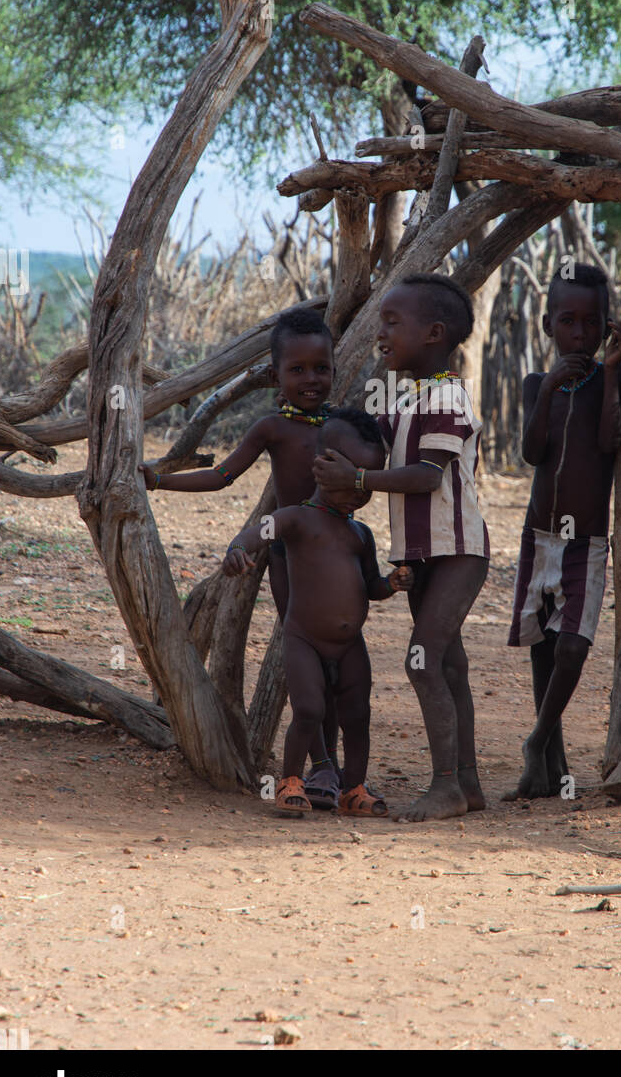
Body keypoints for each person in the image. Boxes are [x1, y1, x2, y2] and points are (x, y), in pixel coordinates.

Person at [139, 306, 343, 808]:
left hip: (340, 563)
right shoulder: (272, 428)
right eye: (297, 370)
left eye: (321, 368)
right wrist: (161, 480)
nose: (311, 379)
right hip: (289, 562)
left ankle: (338, 773)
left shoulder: (345, 425)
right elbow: (223, 475)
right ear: (276, 376)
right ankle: (318, 768)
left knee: (341, 669)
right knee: (307, 669)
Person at [313, 273, 489, 823]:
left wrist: (360, 482)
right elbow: (375, 448)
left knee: (422, 661)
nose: (380, 333)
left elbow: (424, 477)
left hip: (457, 550)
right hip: (420, 553)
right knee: (448, 665)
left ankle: (445, 787)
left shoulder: (448, 398)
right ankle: (467, 783)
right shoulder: (411, 397)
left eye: (392, 323)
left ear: (433, 333)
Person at [223, 408, 412, 817]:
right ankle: (291, 781)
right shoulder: (296, 520)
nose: (361, 489)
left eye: (369, 479)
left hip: (350, 645)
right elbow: (258, 532)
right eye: (354, 473)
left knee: (358, 715)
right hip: (304, 639)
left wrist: (391, 584)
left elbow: (371, 586)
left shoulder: (360, 534)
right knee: (309, 709)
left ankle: (353, 788)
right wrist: (238, 549)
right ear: (321, 464)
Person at [503, 262, 621, 800]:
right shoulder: (538, 384)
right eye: (567, 322)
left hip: (586, 544)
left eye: (591, 323)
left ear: (606, 328)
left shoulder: (608, 382)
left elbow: (606, 444)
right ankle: (546, 771)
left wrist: (615, 374)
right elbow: (531, 453)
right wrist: (551, 384)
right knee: (542, 648)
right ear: (548, 324)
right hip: (539, 538)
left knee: (572, 648)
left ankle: (535, 742)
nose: (579, 334)